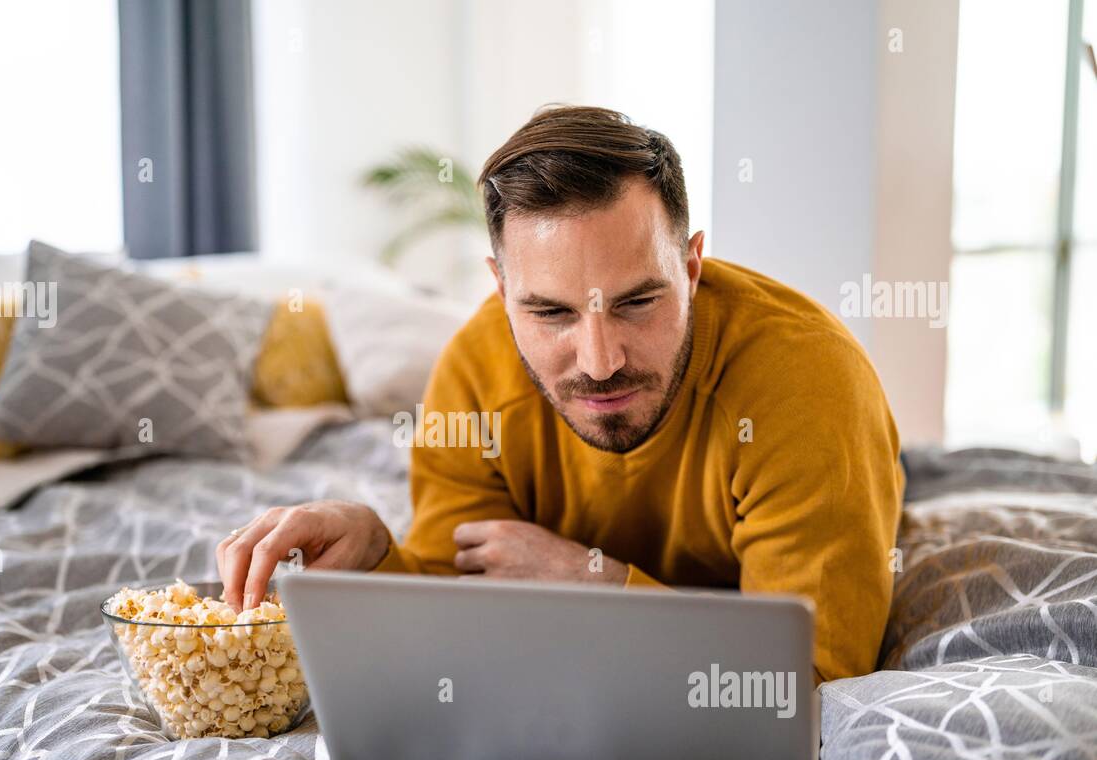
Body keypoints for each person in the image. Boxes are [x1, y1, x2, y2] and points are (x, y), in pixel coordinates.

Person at [217, 105, 905, 685]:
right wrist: (374, 552)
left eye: (638, 301)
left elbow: (807, 679)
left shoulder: (809, 386)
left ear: (692, 267)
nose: (600, 362)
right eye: (550, 313)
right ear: (500, 289)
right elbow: (456, 603)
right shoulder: (475, 372)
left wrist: (600, 585)